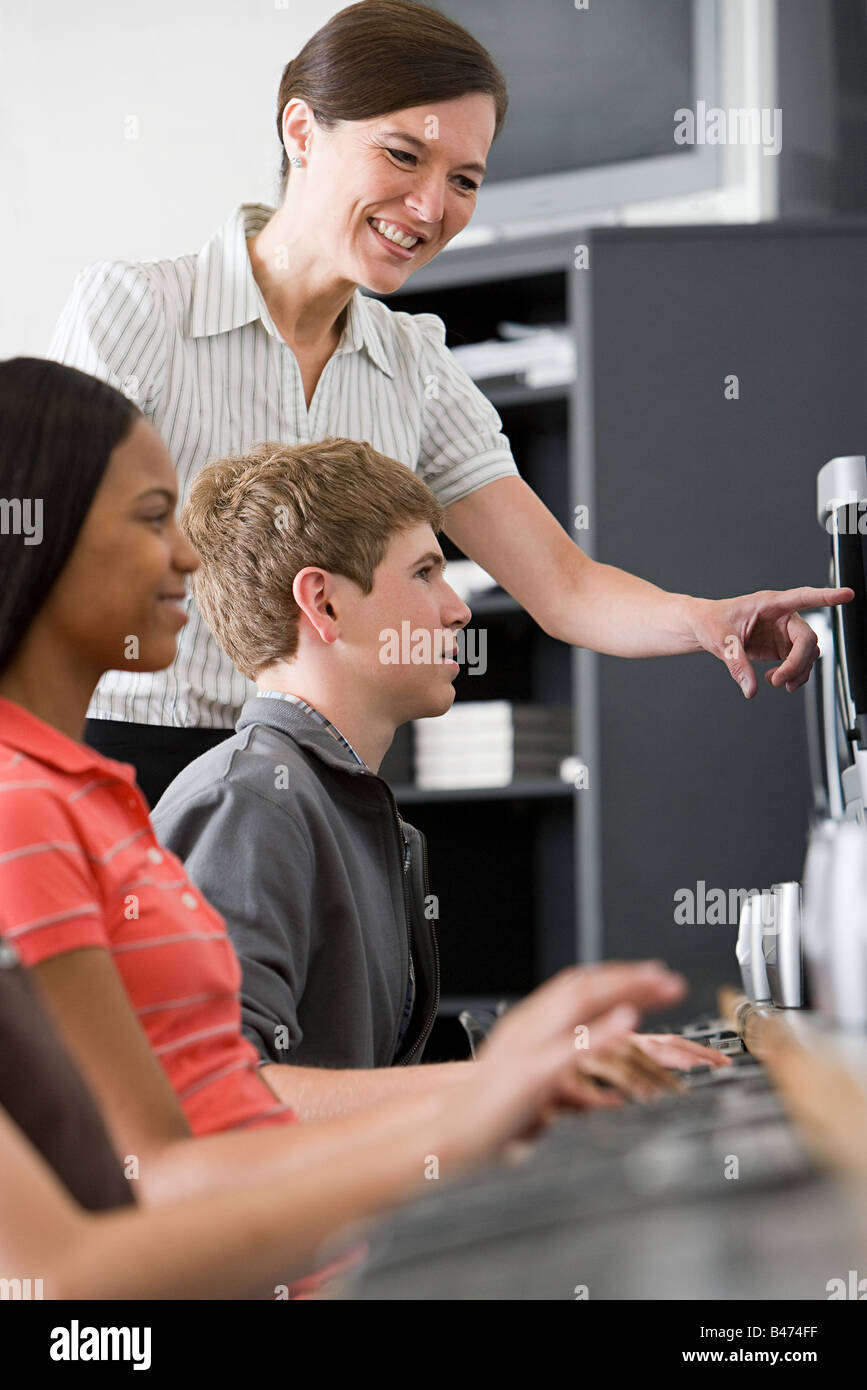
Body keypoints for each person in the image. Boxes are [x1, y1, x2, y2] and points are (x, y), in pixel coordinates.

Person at [0, 355, 696, 1293]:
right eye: (149, 517)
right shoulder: (101, 807)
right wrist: (476, 1104)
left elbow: (184, 1146)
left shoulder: (95, 798)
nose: (188, 555)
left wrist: (508, 1091)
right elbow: (144, 1194)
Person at [46, 0, 850, 806]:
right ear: (300, 132)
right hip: (127, 765)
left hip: (326, 778)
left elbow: (562, 586)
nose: (432, 209)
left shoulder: (413, 363)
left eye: (462, 180)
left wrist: (707, 621)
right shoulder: (139, 312)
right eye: (403, 155)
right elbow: (49, 564)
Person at [152, 436, 730, 1118]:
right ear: (324, 604)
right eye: (424, 572)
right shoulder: (246, 805)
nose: (457, 609)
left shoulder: (342, 805)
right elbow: (206, 1100)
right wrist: (507, 1081)